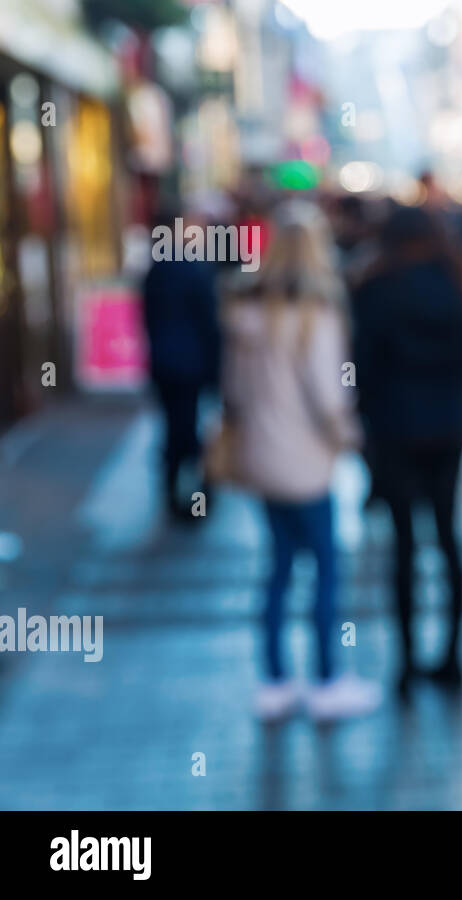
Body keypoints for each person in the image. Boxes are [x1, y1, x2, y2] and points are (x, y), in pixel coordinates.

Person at [220, 201, 379, 721]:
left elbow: (233, 392)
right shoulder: (317, 314)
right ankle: (329, 677)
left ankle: (274, 680)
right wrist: (350, 437)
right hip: (306, 459)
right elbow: (328, 394)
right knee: (327, 569)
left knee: (278, 569)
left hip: (262, 457)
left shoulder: (246, 313)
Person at [352, 207, 462, 698]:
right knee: (449, 540)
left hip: (396, 431)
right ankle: (452, 655)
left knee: (404, 546)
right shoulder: (455, 284)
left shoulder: (376, 289)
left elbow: (363, 365)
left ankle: (406, 661)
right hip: (447, 429)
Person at [141, 204, 221, 523]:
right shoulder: (188, 266)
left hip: (166, 363)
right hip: (188, 364)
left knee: (177, 427)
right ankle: (191, 495)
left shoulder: (158, 268)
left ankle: (177, 490)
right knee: (186, 430)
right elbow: (208, 323)